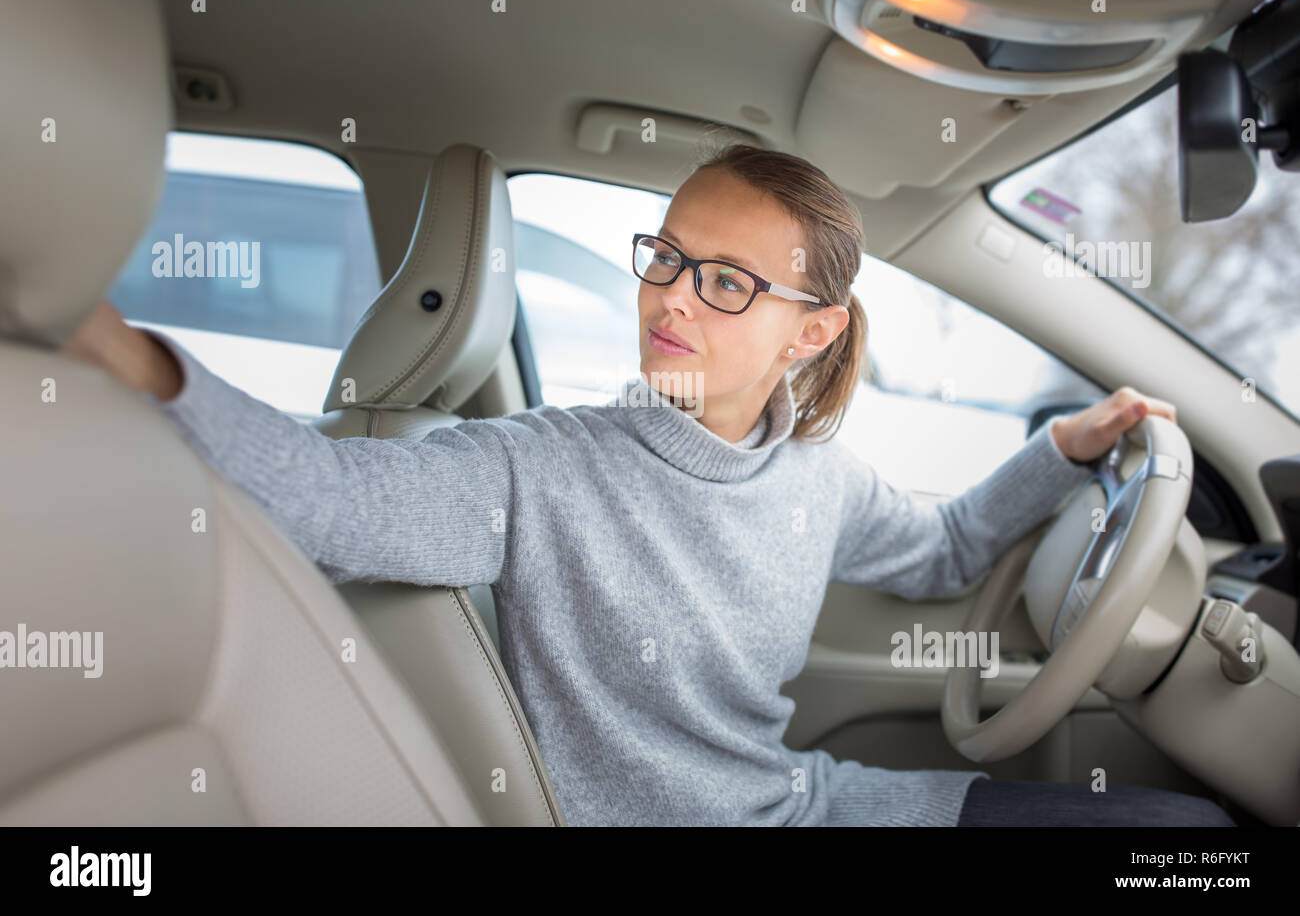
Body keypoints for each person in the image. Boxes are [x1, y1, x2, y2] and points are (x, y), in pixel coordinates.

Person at [61, 143, 1230, 827]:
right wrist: (137, 359)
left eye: (725, 281)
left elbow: (937, 551)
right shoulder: (539, 467)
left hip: (810, 804)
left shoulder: (812, 474)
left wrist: (1063, 453)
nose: (670, 296)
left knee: (1189, 839)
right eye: (666, 257)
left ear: (809, 333)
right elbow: (323, 498)